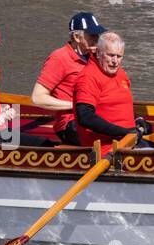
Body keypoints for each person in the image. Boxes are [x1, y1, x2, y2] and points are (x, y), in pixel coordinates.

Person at [30, 12, 104, 146]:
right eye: (92, 35)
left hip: (93, 117)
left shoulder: (95, 57)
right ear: (76, 37)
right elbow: (38, 98)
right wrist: (77, 106)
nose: (97, 39)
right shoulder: (60, 58)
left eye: (98, 35)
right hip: (70, 123)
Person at [74, 31, 154, 151]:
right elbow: (85, 117)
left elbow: (120, 106)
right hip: (106, 149)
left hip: (129, 142)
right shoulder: (88, 77)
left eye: (119, 56)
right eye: (111, 55)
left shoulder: (121, 73)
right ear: (98, 53)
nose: (115, 61)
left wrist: (137, 119)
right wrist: (124, 132)